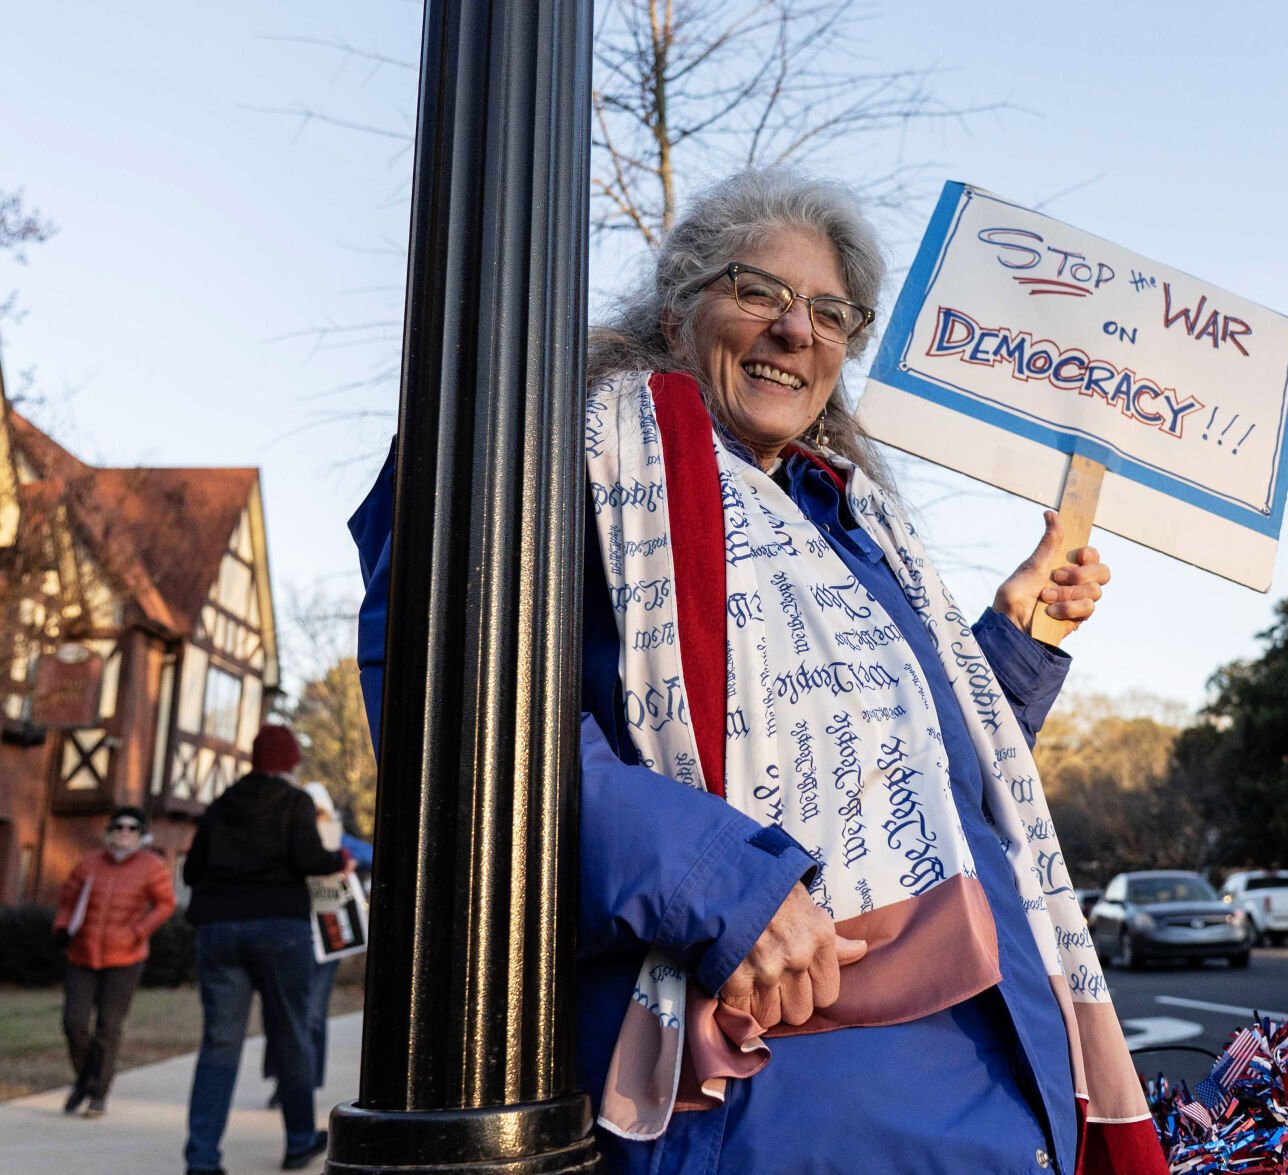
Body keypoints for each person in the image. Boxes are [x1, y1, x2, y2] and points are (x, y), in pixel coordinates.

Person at [350, 169, 1163, 1173]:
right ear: (673, 306)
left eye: (829, 312)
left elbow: (918, 788)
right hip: (780, 1107)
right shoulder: (556, 451)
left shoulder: (858, 528)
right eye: (755, 291)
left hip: (997, 1078)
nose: (795, 329)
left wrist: (1013, 637)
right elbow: (462, 715)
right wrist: (723, 884)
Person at [181, 724, 346, 1175]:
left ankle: (201, 1157)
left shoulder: (220, 804)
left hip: (218, 930)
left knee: (218, 1043)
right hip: (279, 928)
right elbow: (312, 860)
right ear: (290, 761)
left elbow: (193, 871)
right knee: (292, 1032)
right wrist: (338, 862)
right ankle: (297, 1141)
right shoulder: (295, 803)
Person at [51, 804, 175, 1118]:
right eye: (118, 827)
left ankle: (97, 1093)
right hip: (82, 954)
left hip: (125, 958)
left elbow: (165, 904)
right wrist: (62, 928)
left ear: (141, 835)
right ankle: (84, 1077)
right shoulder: (88, 863)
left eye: (132, 828)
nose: (124, 832)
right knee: (74, 1023)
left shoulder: (152, 866)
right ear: (109, 832)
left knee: (108, 1027)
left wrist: (138, 932)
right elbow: (68, 902)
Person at [262, 782, 369, 1111]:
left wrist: (347, 864)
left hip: (328, 937)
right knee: (285, 1014)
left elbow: (372, 854)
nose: (312, 817)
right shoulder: (283, 838)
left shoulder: (338, 841)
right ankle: (286, 1080)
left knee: (311, 1016)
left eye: (318, 811)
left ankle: (304, 1082)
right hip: (291, 935)